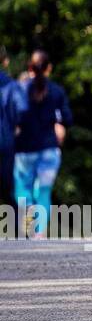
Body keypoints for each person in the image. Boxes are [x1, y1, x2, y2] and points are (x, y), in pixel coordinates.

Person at [13, 50, 72, 238]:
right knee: (44, 191)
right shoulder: (56, 91)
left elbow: (13, 117)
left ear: (30, 67)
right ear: (49, 68)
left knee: (23, 189)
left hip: (24, 150)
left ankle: (29, 219)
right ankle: (40, 233)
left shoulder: (20, 89)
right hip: (49, 149)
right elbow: (67, 118)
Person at [0, 45, 27, 213]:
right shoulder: (11, 85)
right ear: (4, 61)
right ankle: (22, 230)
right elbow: (23, 112)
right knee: (10, 189)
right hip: (5, 143)